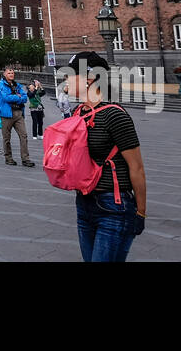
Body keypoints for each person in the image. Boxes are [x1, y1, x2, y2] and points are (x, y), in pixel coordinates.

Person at [62, 52, 146, 262]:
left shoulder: (114, 115)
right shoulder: (77, 112)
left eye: (70, 75)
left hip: (114, 207)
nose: (66, 80)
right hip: (84, 202)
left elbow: (136, 167)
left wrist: (141, 212)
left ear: (89, 79)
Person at [0, 68, 33, 166]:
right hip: (7, 114)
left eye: (12, 73)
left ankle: (25, 158)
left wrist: (18, 98)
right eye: (9, 73)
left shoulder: (17, 85)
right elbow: (6, 98)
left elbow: (25, 97)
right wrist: (18, 97)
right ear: (4, 74)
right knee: (7, 137)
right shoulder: (0, 85)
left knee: (23, 135)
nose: (11, 74)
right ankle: (8, 158)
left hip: (18, 113)